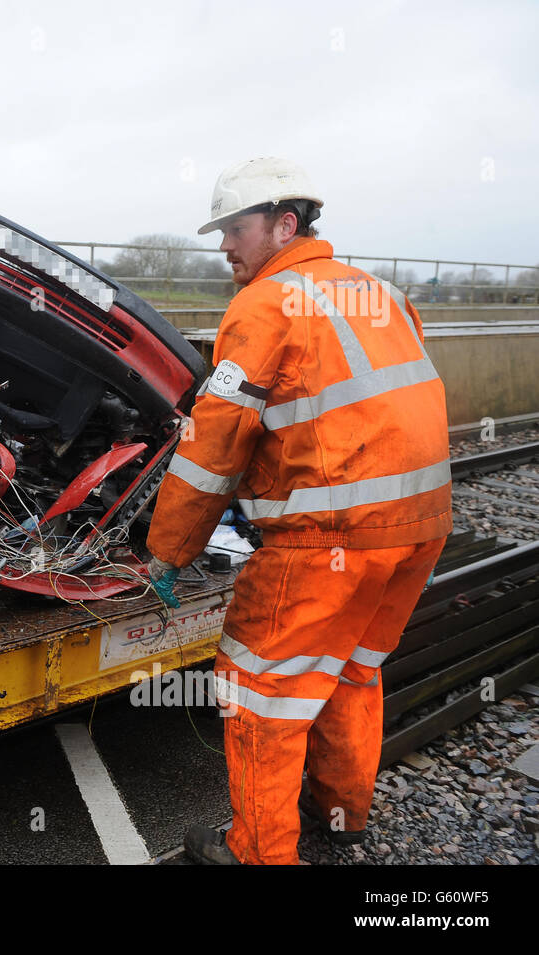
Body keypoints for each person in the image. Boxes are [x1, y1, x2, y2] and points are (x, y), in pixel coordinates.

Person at [145, 157, 452, 865]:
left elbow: (210, 448)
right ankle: (341, 814)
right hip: (418, 529)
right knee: (349, 667)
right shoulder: (381, 292)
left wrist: (168, 553)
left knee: (262, 693)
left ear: (285, 224)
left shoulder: (265, 302)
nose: (224, 245)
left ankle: (256, 851)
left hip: (329, 539)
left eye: (236, 228)